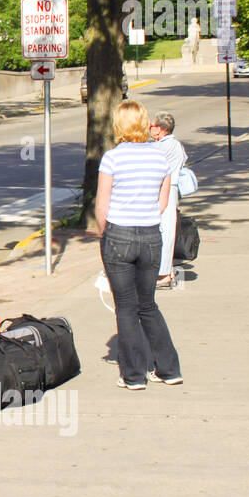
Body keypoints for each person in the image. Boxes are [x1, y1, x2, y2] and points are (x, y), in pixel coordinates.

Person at [95, 100, 184, 389]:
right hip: (150, 237)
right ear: (145, 124)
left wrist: (103, 234)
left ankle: (133, 375)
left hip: (119, 235)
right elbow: (162, 203)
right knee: (147, 305)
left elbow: (102, 205)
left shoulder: (112, 158)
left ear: (119, 125)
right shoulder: (160, 159)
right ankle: (169, 369)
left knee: (125, 307)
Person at [150, 112, 186, 289]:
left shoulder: (163, 146)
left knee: (164, 232)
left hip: (165, 190)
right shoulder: (175, 144)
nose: (150, 129)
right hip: (171, 189)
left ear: (161, 130)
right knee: (166, 231)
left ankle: (164, 274)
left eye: (152, 126)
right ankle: (167, 270)